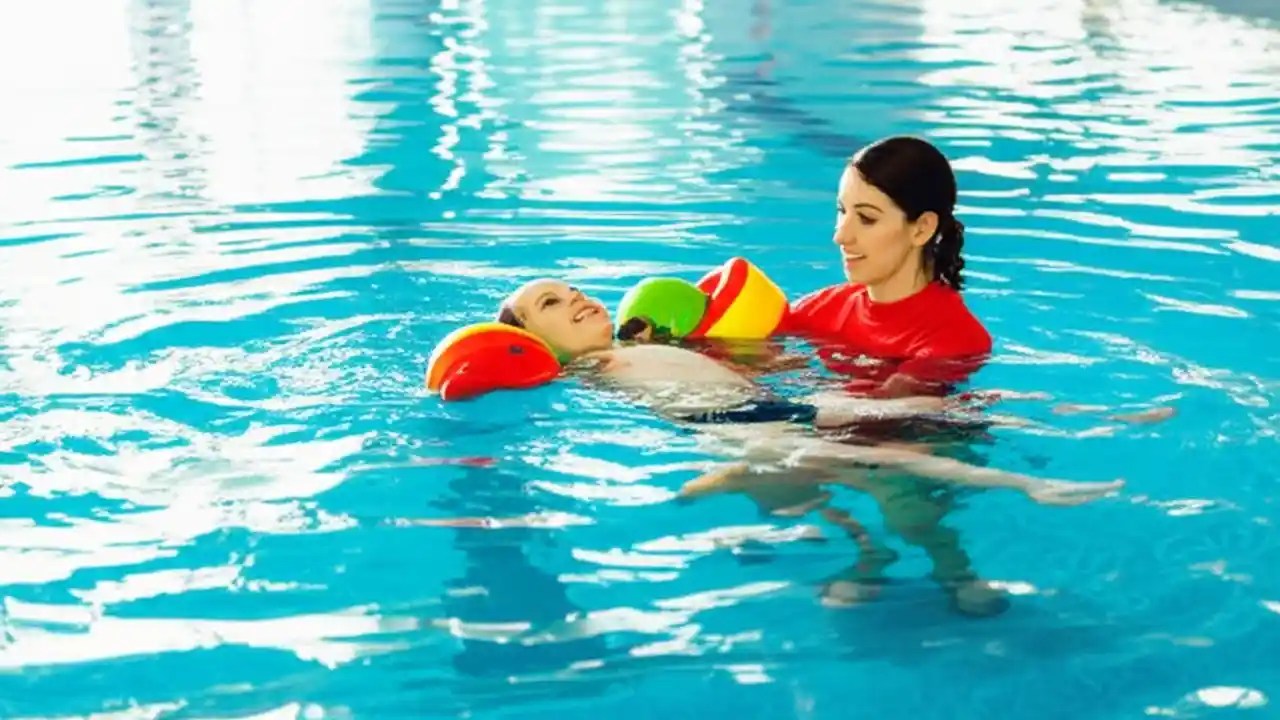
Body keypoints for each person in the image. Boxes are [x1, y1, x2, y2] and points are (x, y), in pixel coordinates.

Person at [777, 135, 992, 399]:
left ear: (922, 228)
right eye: (842, 211)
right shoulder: (823, 310)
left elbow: (877, 416)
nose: (841, 236)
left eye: (867, 218)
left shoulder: (954, 339)